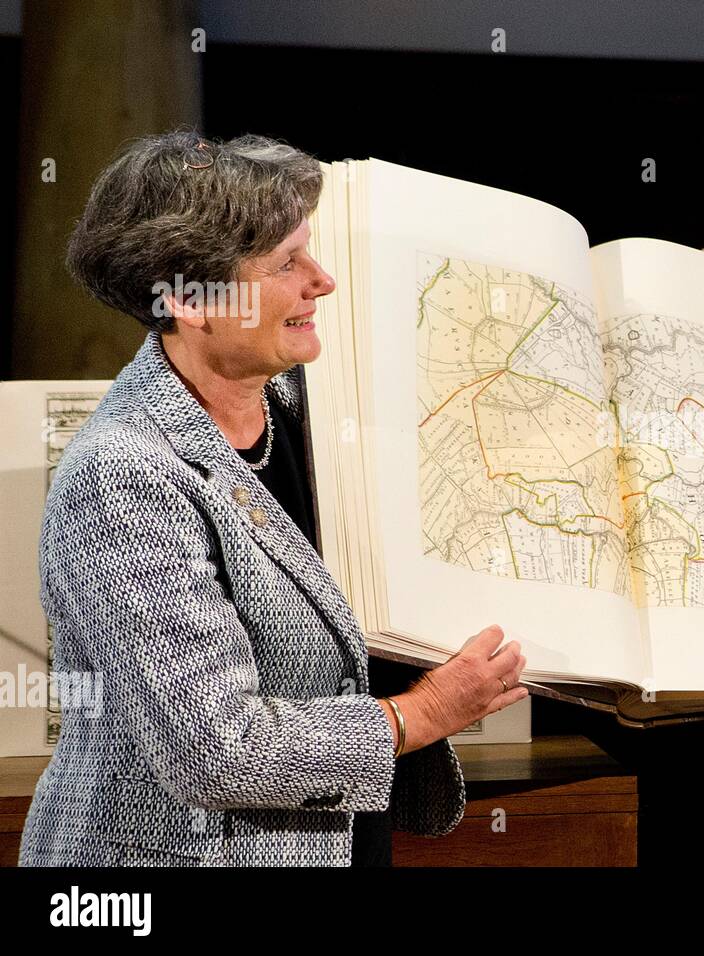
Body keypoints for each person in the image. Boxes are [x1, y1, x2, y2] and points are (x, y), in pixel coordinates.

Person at [19, 130, 529, 866]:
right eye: (287, 263)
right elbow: (216, 749)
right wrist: (424, 713)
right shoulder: (122, 475)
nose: (321, 280)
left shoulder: (315, 412)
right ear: (189, 298)